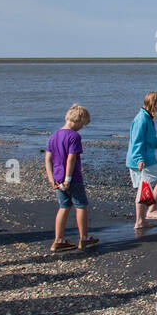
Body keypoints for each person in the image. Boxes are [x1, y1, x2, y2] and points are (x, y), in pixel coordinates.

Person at [46, 105, 97, 251]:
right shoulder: (74, 136)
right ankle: (84, 238)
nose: (82, 127)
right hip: (72, 178)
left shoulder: (54, 135)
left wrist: (51, 178)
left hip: (56, 177)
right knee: (81, 206)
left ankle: (58, 239)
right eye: (83, 124)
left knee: (64, 207)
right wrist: (68, 178)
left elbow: (48, 158)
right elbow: (71, 158)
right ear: (78, 121)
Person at [128, 92, 157, 231]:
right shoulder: (142, 119)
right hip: (142, 160)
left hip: (143, 159)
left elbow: (151, 139)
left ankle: (140, 221)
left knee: (144, 189)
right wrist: (139, 159)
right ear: (153, 104)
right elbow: (136, 141)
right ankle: (151, 210)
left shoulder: (147, 118)